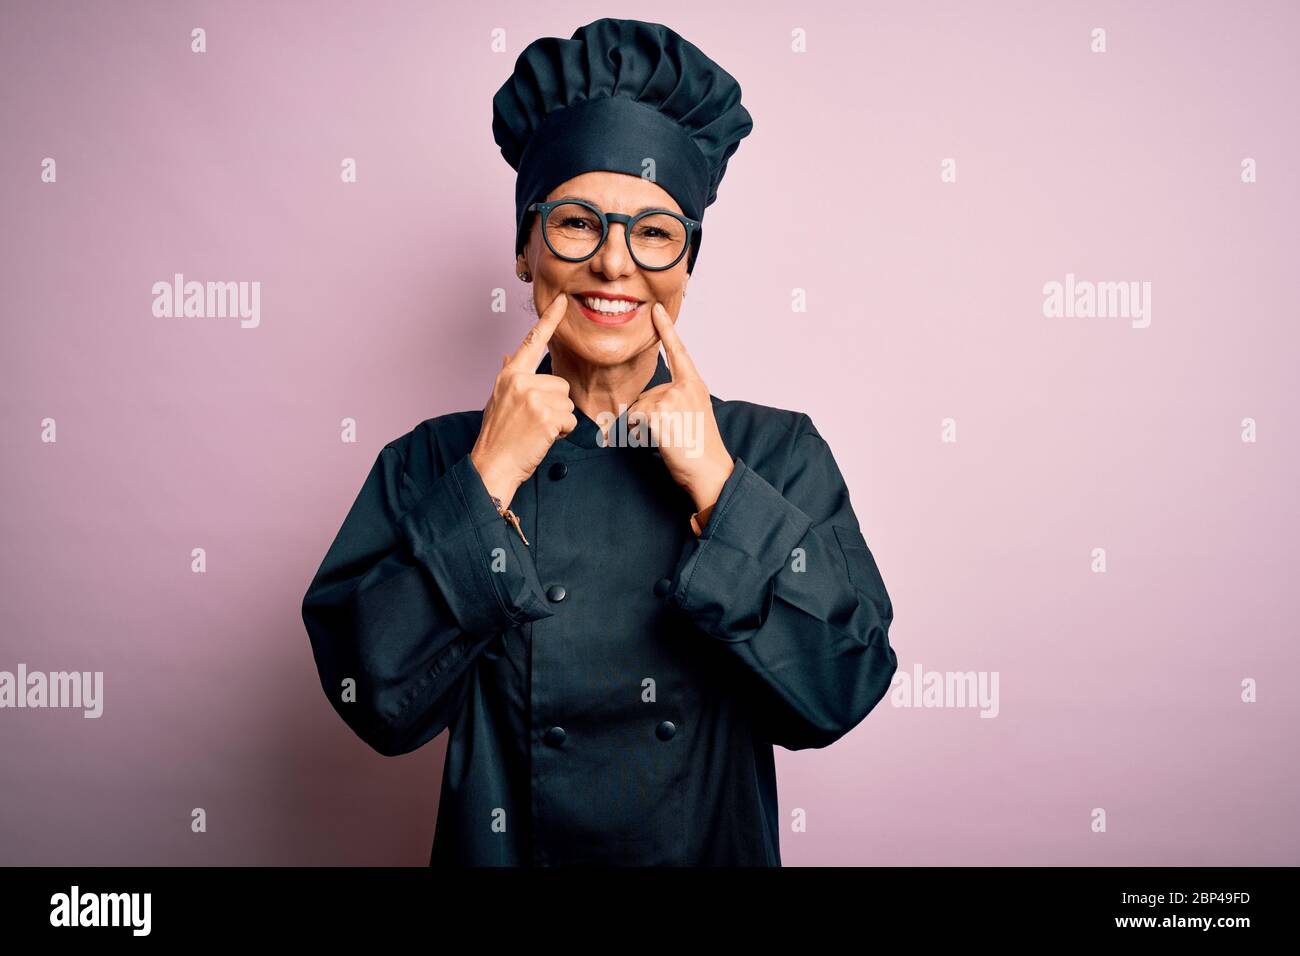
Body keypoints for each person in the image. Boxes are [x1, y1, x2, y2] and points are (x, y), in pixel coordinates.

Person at [301, 17, 897, 866]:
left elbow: (842, 690)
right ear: (524, 247)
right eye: (578, 223)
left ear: (687, 263)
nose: (615, 265)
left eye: (654, 232)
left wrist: (722, 490)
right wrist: (486, 481)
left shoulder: (777, 454)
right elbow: (373, 705)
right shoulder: (428, 464)